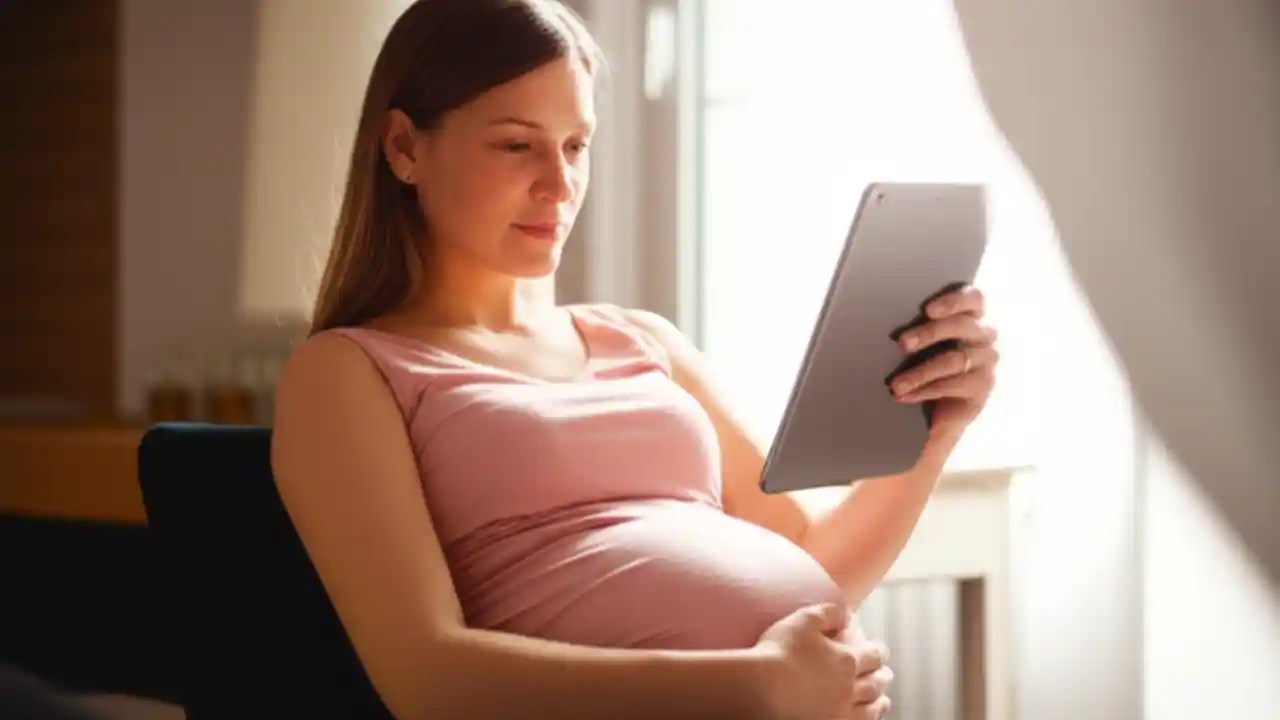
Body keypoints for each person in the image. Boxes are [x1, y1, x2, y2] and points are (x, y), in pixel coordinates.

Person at [270, 1, 1000, 718]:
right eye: (516, 145)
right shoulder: (351, 372)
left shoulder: (642, 340)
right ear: (403, 147)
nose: (559, 185)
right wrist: (752, 687)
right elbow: (424, 676)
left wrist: (931, 431)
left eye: (576, 145)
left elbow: (818, 564)